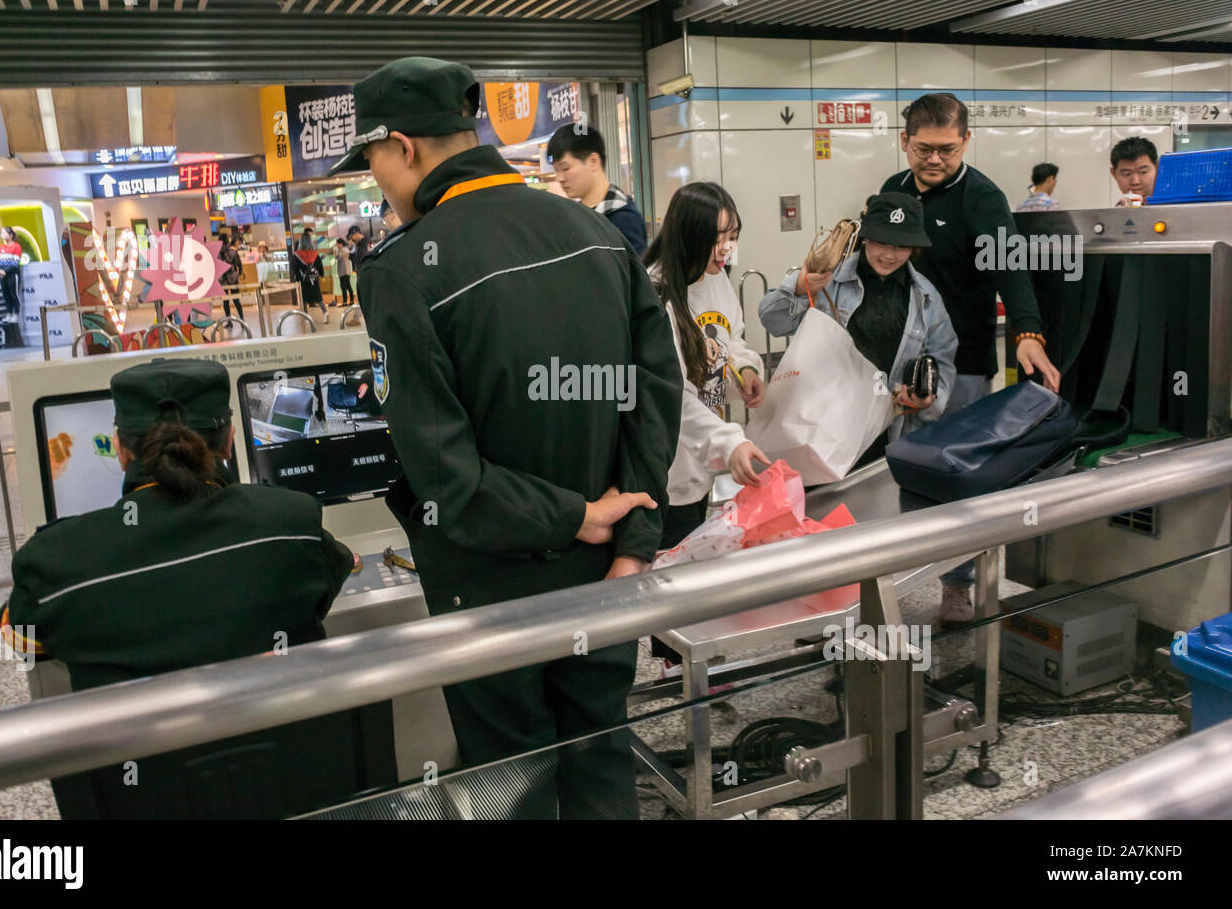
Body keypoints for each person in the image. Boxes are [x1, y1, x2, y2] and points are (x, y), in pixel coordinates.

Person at [336, 56, 682, 819]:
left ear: (404, 146)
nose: (376, 184)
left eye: (372, 162)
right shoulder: (594, 232)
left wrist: (568, 515)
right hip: (607, 571)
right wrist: (632, 538)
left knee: (511, 779)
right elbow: (656, 396)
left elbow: (445, 476)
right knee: (599, 754)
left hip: (488, 587)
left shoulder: (401, 272)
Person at [0, 358, 355, 692]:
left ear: (120, 449)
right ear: (229, 441)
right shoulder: (294, 524)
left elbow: (24, 639)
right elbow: (333, 573)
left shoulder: (55, 563)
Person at [881, 93, 1059, 627]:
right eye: (923, 149)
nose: (934, 160)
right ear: (904, 140)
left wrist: (1028, 331)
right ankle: (891, 567)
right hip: (901, 360)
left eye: (947, 150)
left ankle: (956, 587)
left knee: (956, 474)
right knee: (899, 466)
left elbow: (1012, 268)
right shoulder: (894, 191)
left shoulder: (981, 198)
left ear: (966, 142)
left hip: (965, 358)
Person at [644, 181, 768, 670]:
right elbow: (671, 397)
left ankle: (694, 658)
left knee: (691, 557)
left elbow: (730, 338)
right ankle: (678, 665)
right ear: (688, 235)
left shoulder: (715, 279)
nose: (728, 248)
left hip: (701, 454)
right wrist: (728, 439)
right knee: (666, 564)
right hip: (665, 459)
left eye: (733, 234)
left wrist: (747, 369)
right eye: (718, 237)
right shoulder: (657, 295)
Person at [759, 193, 958, 464]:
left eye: (901, 246)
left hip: (887, 428)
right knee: (824, 500)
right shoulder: (829, 279)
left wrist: (927, 400)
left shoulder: (926, 297)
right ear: (865, 237)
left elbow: (943, 358)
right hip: (822, 424)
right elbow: (773, 321)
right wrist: (799, 286)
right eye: (881, 242)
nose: (889, 255)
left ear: (914, 247)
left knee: (878, 498)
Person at [546, 123, 647, 255]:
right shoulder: (577, 214)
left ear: (593, 162)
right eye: (556, 170)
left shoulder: (622, 218)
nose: (559, 178)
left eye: (565, 168)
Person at [291, 227, 329, 323]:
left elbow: (293, 267)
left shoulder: (297, 255)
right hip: (313, 279)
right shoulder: (314, 254)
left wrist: (296, 275)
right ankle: (325, 313)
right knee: (318, 297)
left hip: (302, 280)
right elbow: (320, 265)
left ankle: (306, 317)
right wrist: (321, 275)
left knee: (304, 298)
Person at [1111, 136, 1159, 206]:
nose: (1135, 182)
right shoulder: (1115, 213)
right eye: (1127, 174)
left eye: (1143, 172)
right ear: (1114, 174)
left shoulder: (1173, 207)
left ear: (1158, 169)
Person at [0, 225, 23, 324]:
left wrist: (5, 271)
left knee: (14, 295)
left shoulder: (16, 246)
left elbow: (15, 263)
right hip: (2, 277)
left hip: (12, 275)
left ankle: (16, 314)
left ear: (11, 235)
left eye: (4, 233)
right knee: (6, 295)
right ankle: (9, 313)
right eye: (1, 233)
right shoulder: (1, 247)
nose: (2, 235)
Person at [218, 234, 245, 324]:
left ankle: (229, 322)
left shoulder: (218, 253)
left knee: (226, 301)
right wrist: (239, 274)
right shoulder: (233, 252)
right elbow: (239, 265)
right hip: (233, 278)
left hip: (223, 279)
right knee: (236, 300)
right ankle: (242, 320)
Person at [333, 237, 354, 306]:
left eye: (337, 244)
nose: (336, 245)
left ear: (341, 244)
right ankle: (351, 300)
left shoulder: (344, 250)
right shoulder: (341, 250)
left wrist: (336, 253)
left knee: (344, 287)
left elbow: (339, 258)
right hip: (344, 271)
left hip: (344, 271)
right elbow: (337, 258)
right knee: (347, 286)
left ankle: (346, 302)